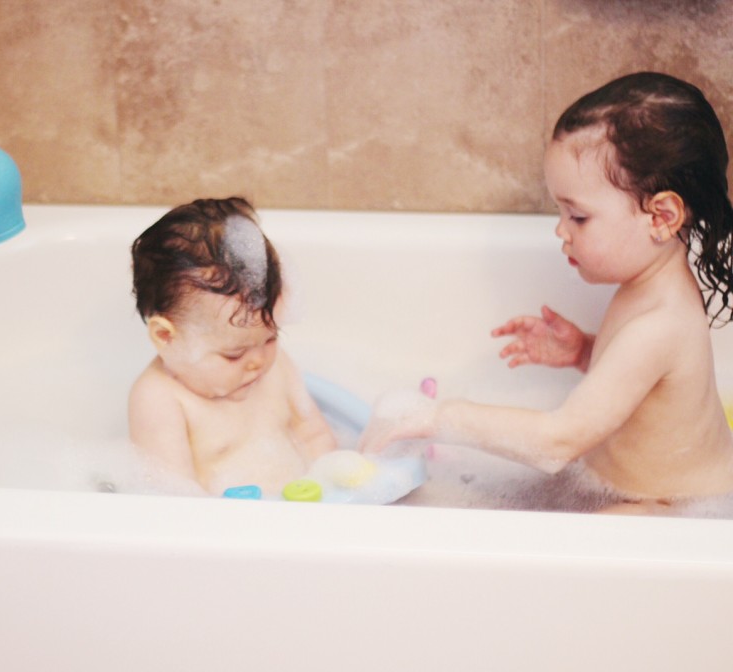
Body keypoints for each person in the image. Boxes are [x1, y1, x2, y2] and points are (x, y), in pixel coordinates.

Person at [361, 72, 733, 512]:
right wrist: (583, 352)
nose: (561, 230)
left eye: (578, 217)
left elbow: (558, 442)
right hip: (630, 483)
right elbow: (641, 385)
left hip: (673, 505)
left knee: (588, 544)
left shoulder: (660, 323)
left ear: (660, 217)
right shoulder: (650, 284)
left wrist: (442, 417)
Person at [128, 197, 337, 495]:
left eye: (271, 338)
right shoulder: (159, 399)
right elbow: (173, 498)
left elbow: (312, 433)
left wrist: (332, 480)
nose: (257, 361)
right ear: (166, 338)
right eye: (234, 354)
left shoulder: (274, 365)